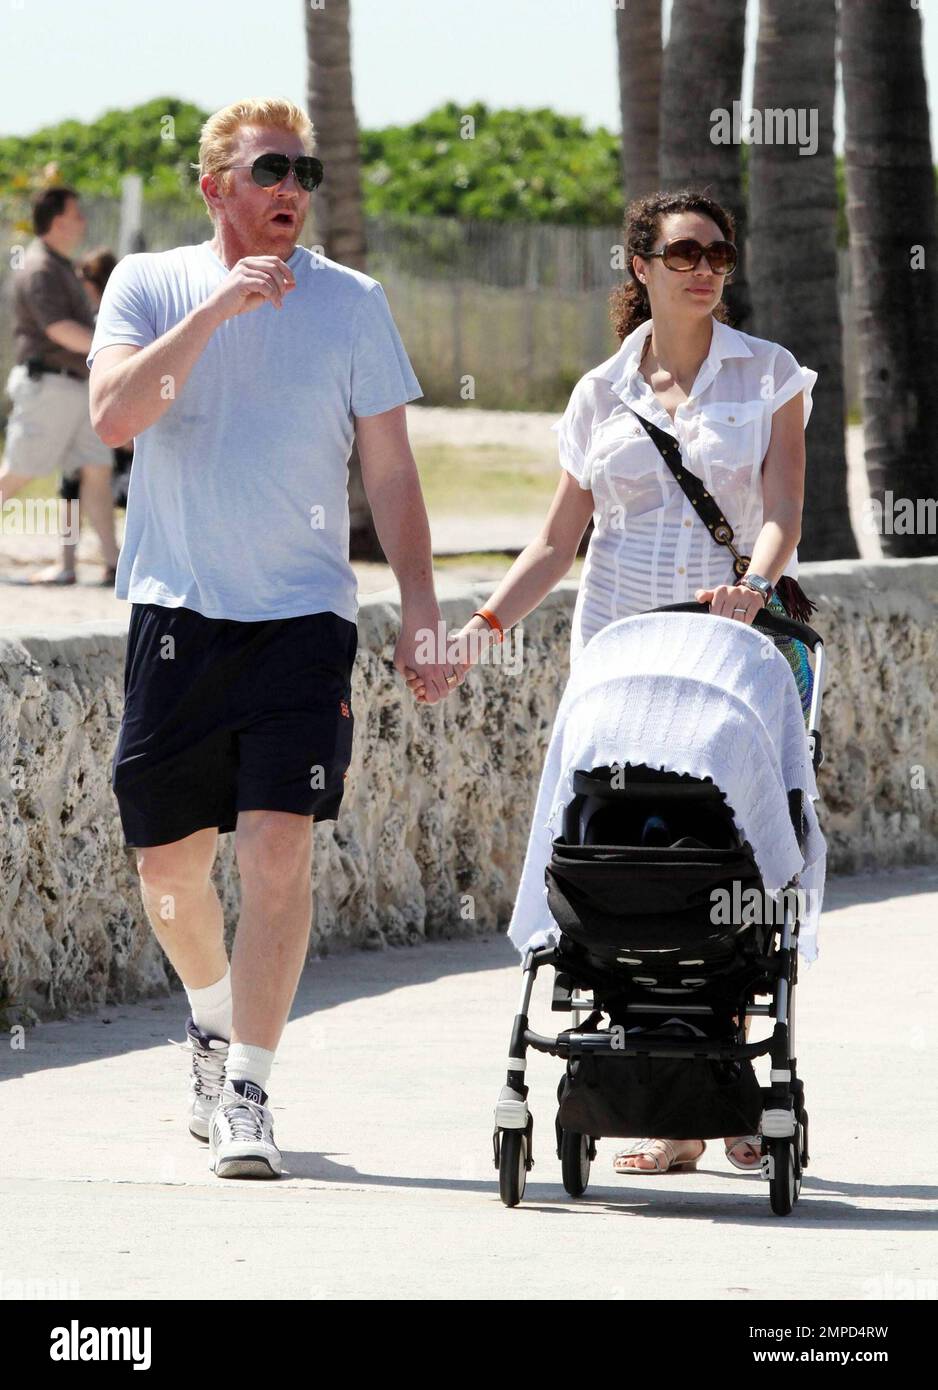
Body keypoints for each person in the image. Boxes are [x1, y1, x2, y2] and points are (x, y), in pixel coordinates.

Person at [406, 189, 817, 1177]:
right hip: (617, 660)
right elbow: (556, 541)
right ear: (638, 264)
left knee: (717, 857)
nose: (704, 265)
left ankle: (723, 1091)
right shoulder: (599, 390)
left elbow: (782, 508)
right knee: (621, 855)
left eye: (718, 249)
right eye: (682, 250)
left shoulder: (767, 375)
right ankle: (663, 1098)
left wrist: (751, 587)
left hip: (725, 655)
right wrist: (477, 631)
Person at [87, 97, 456, 1180]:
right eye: (269, 170)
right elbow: (114, 418)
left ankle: (247, 1082)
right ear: (215, 188)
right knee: (167, 867)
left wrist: (422, 611)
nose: (291, 187)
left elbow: (388, 472)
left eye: (304, 171)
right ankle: (208, 1019)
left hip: (302, 620)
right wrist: (218, 312)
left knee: (276, 848)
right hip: (176, 616)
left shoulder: (352, 304)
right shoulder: (149, 284)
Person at [0, 187, 120, 585]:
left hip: (76, 387)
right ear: (57, 220)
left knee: (97, 470)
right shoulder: (40, 268)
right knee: (18, 471)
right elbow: (58, 329)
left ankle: (113, 562)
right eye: (77, 214)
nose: (83, 221)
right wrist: (115, 350)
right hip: (49, 386)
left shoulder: (60, 265)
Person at [57, 249, 133, 581]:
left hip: (106, 423)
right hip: (98, 419)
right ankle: (79, 562)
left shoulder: (104, 319)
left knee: (85, 492)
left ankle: (95, 562)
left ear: (92, 281)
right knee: (72, 489)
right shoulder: (108, 315)